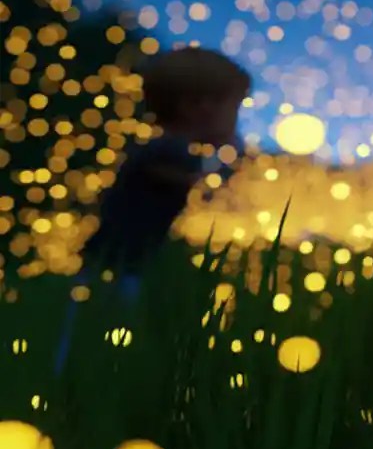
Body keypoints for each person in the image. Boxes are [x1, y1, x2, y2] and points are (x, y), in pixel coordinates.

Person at [56, 46, 251, 373]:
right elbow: (207, 186)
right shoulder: (165, 151)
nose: (235, 117)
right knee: (100, 347)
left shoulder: (161, 148)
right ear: (197, 106)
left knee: (91, 340)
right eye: (234, 106)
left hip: (118, 262)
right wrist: (233, 151)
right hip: (118, 263)